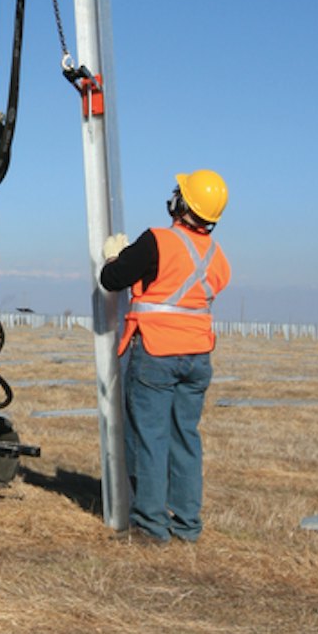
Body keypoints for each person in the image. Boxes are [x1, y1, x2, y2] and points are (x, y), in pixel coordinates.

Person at [99, 169, 231, 545]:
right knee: (185, 437)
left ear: (183, 204)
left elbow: (113, 280)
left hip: (156, 352)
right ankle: (187, 526)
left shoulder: (158, 240)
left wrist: (113, 258)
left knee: (150, 438)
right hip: (198, 358)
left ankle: (151, 528)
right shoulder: (217, 256)